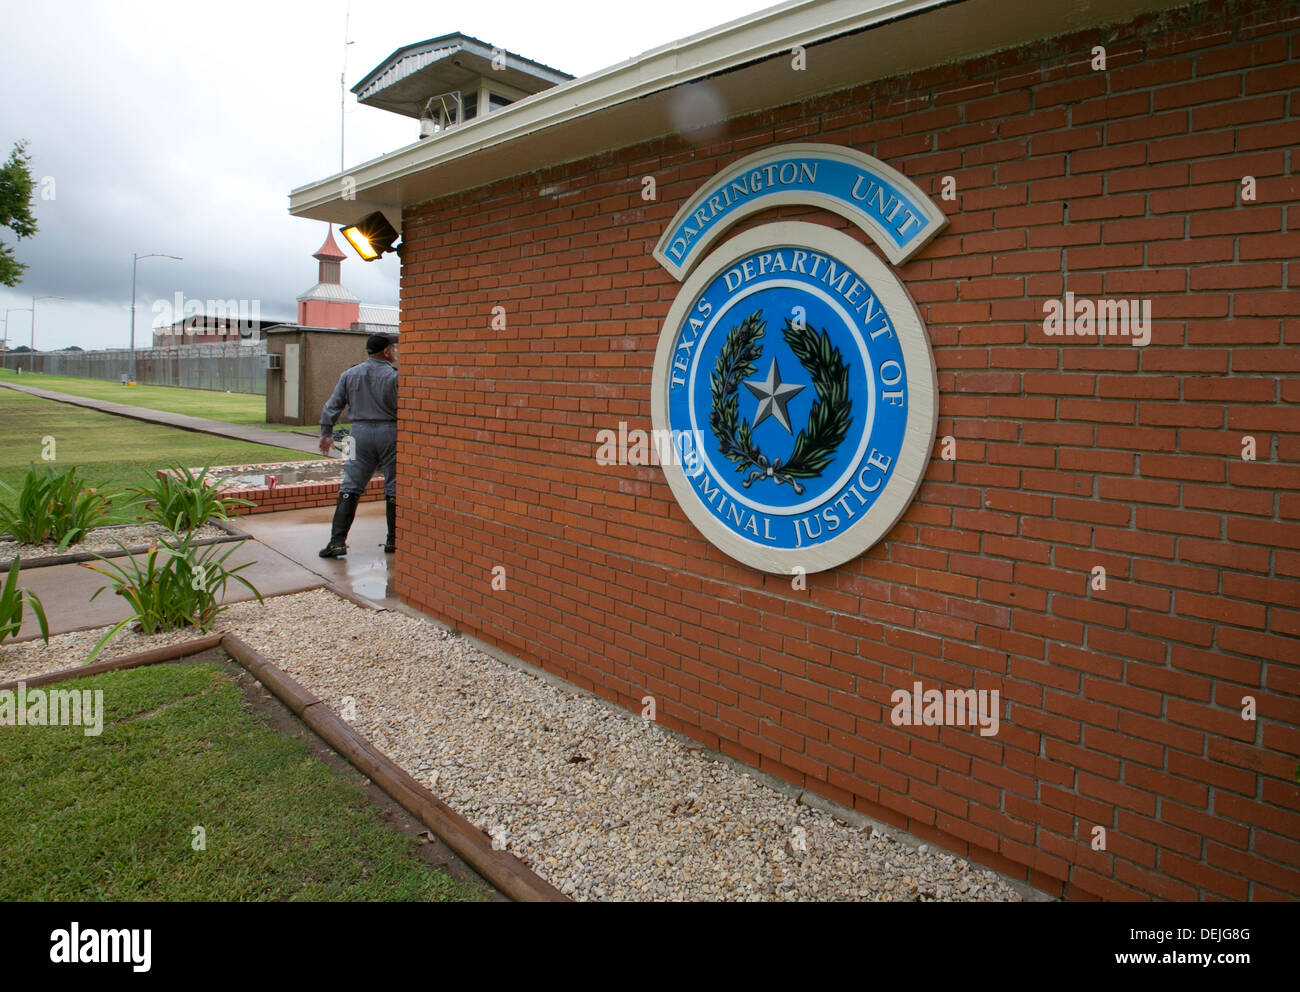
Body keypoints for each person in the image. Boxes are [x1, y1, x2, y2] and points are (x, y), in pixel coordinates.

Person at [318, 333, 398, 558]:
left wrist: (326, 433)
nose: (396, 352)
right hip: (390, 432)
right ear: (386, 351)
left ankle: (337, 542)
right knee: (394, 485)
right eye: (394, 348)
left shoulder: (349, 374)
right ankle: (394, 540)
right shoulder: (395, 377)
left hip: (358, 433)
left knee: (350, 485)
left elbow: (332, 406)